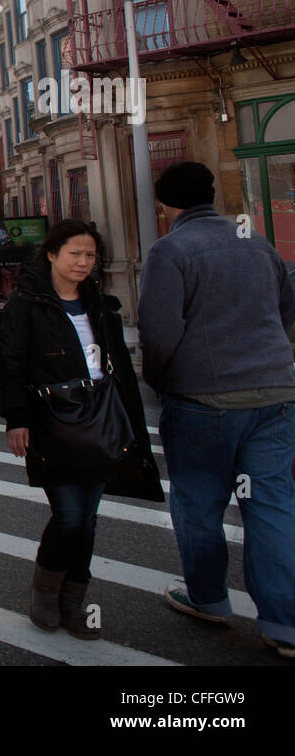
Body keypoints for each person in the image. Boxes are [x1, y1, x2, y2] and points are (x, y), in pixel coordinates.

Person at [138, 161, 295, 659]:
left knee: (199, 505)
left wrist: (161, 382)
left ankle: (209, 598)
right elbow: (287, 310)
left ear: (166, 204)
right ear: (210, 194)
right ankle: (284, 624)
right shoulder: (255, 241)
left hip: (203, 401)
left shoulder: (170, 250)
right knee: (273, 507)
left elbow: (159, 334)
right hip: (274, 395)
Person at [0, 220, 163, 639]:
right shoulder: (27, 302)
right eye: (75, 253)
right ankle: (44, 593)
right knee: (69, 515)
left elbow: (117, 367)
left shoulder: (98, 303)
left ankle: (73, 602)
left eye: (90, 255)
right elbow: (11, 364)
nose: (83, 262)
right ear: (52, 254)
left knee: (87, 519)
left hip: (99, 417)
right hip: (51, 418)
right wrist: (16, 419)